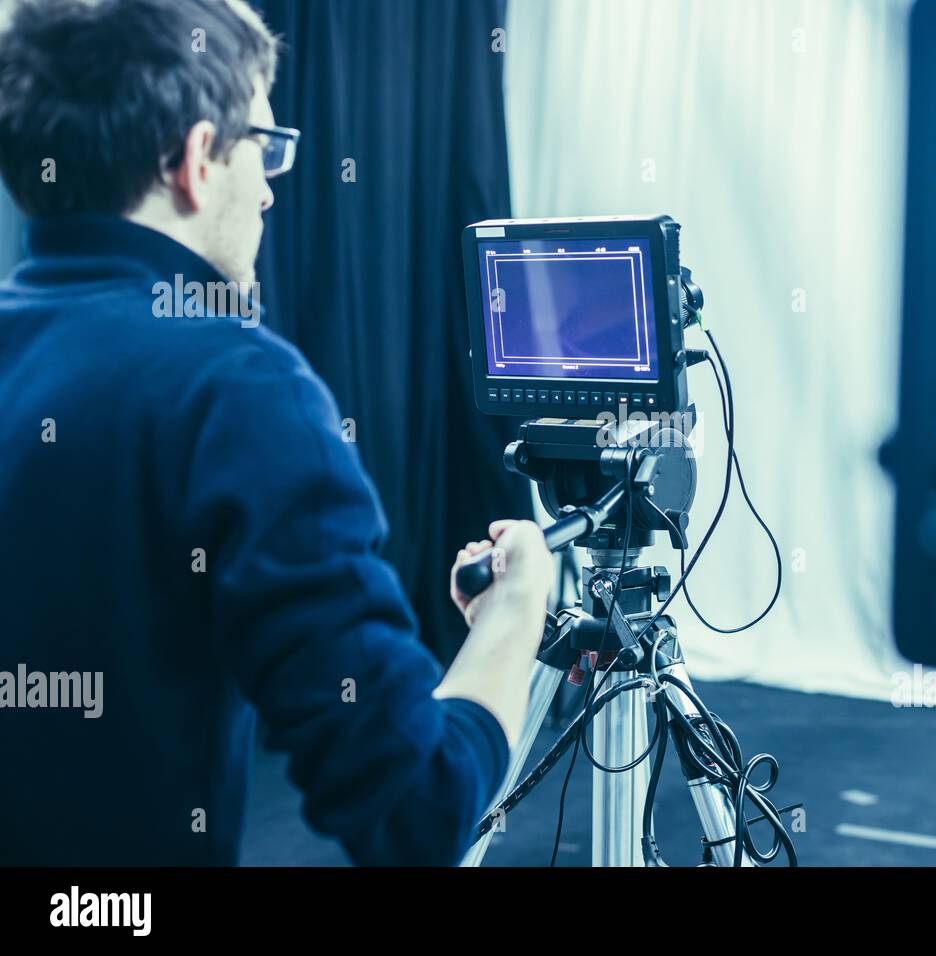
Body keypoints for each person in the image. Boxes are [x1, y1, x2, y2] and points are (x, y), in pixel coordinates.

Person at [0, 0, 550, 865]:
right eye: (263, 144)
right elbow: (418, 805)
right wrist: (515, 616)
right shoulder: (237, 388)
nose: (266, 187)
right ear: (193, 162)